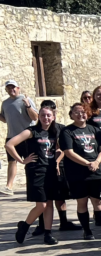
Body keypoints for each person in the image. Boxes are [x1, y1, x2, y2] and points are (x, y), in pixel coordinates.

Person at [7, 105, 60, 245]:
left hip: (51, 171)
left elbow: (60, 150)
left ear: (53, 117)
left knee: (49, 203)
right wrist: (22, 160)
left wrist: (58, 161)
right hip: (36, 171)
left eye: (49, 115)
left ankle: (48, 233)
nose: (46, 118)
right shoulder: (31, 131)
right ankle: (25, 226)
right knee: (41, 205)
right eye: (43, 115)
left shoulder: (55, 132)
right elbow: (10, 144)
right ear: (39, 117)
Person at [60, 102, 101, 240]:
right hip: (78, 174)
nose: (80, 114)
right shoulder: (67, 131)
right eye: (76, 112)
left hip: (96, 172)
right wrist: (88, 163)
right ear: (71, 115)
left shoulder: (94, 130)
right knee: (82, 202)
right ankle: (87, 231)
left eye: (83, 111)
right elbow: (69, 152)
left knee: (98, 202)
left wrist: (96, 162)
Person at [1, 80, 39, 196]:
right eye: (9, 88)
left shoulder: (25, 100)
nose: (11, 89)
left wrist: (28, 105)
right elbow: (5, 119)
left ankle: (33, 186)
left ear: (18, 88)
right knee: (12, 161)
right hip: (12, 136)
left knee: (31, 161)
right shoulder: (5, 103)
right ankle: (9, 187)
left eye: (13, 87)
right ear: (6, 90)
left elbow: (35, 117)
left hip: (27, 136)